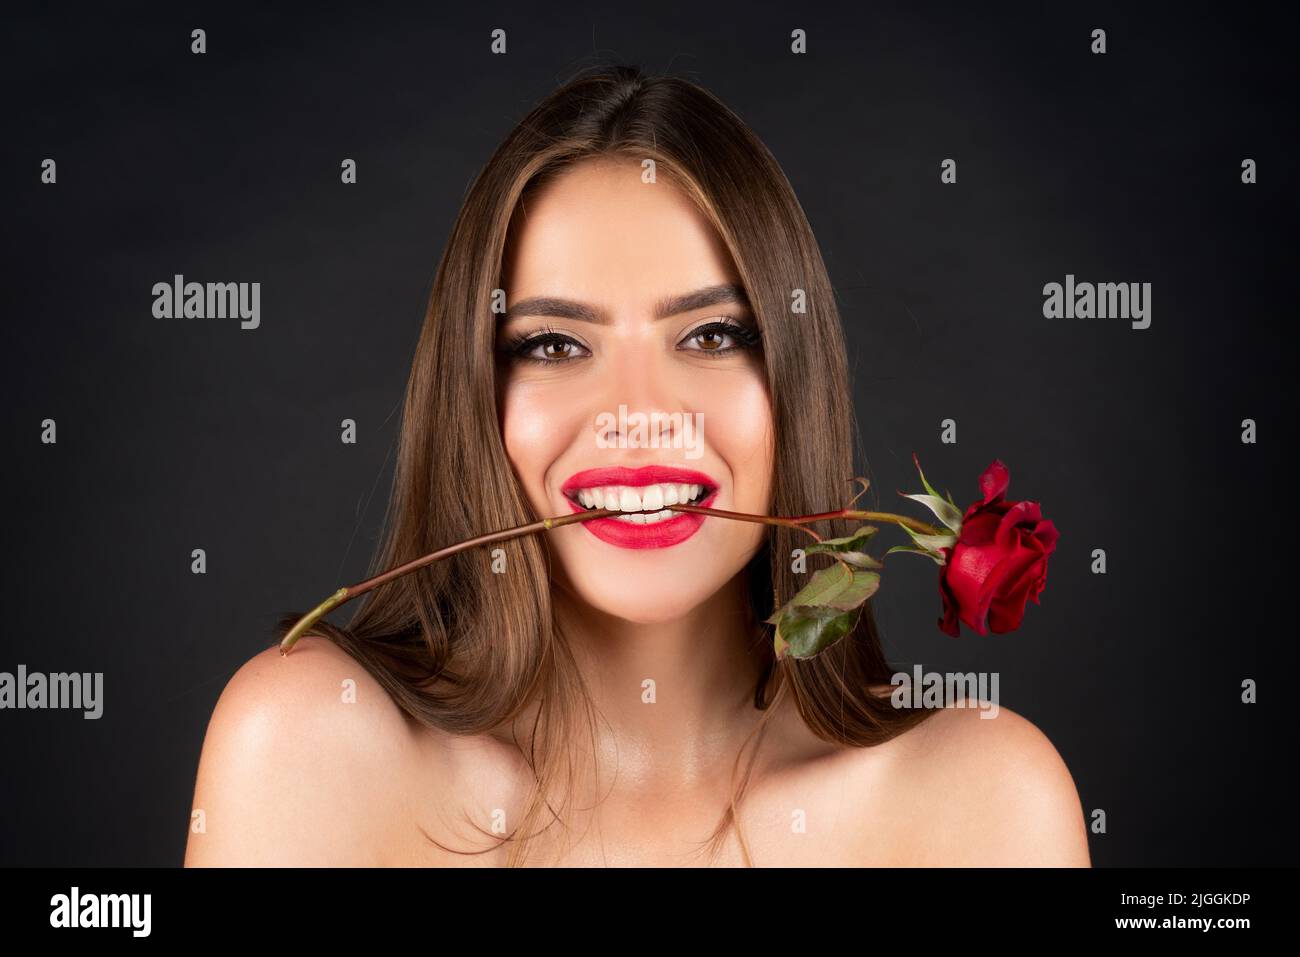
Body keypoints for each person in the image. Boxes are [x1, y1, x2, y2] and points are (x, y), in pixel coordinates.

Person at [184, 63, 1090, 867]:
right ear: (476, 394)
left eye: (711, 333)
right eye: (552, 344)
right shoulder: (307, 744)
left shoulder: (984, 799)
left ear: (793, 379)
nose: (637, 415)